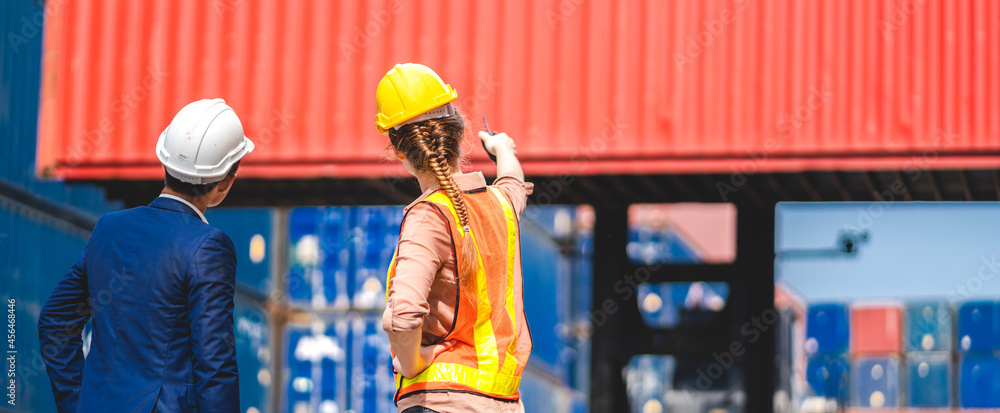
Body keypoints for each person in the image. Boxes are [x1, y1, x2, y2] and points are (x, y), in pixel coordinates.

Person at [38, 98, 253, 413]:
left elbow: (56, 322)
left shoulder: (108, 229)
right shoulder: (208, 246)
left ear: (164, 162)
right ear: (226, 181)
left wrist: (79, 403)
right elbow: (215, 367)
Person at [376, 63, 533, 413]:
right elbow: (513, 185)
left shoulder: (429, 217)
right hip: (505, 404)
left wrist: (414, 364)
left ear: (399, 151)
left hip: (440, 402)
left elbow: (403, 315)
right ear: (459, 133)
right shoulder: (500, 205)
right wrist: (504, 150)